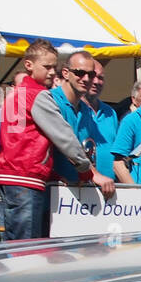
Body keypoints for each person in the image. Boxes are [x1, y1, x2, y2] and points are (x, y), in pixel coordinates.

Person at [0, 42, 115, 240]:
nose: (52, 72)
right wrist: (86, 172)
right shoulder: (39, 96)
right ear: (29, 65)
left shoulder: (17, 94)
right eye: (47, 67)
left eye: (54, 67)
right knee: (26, 250)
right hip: (27, 179)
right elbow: (64, 138)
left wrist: (53, 171)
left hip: (12, 177)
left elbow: (15, 140)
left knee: (15, 246)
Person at [49, 52, 119, 185]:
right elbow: (67, 144)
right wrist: (94, 174)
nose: (87, 79)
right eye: (80, 73)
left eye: (91, 75)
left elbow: (85, 151)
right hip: (52, 191)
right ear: (65, 73)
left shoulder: (86, 110)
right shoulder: (51, 100)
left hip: (83, 192)